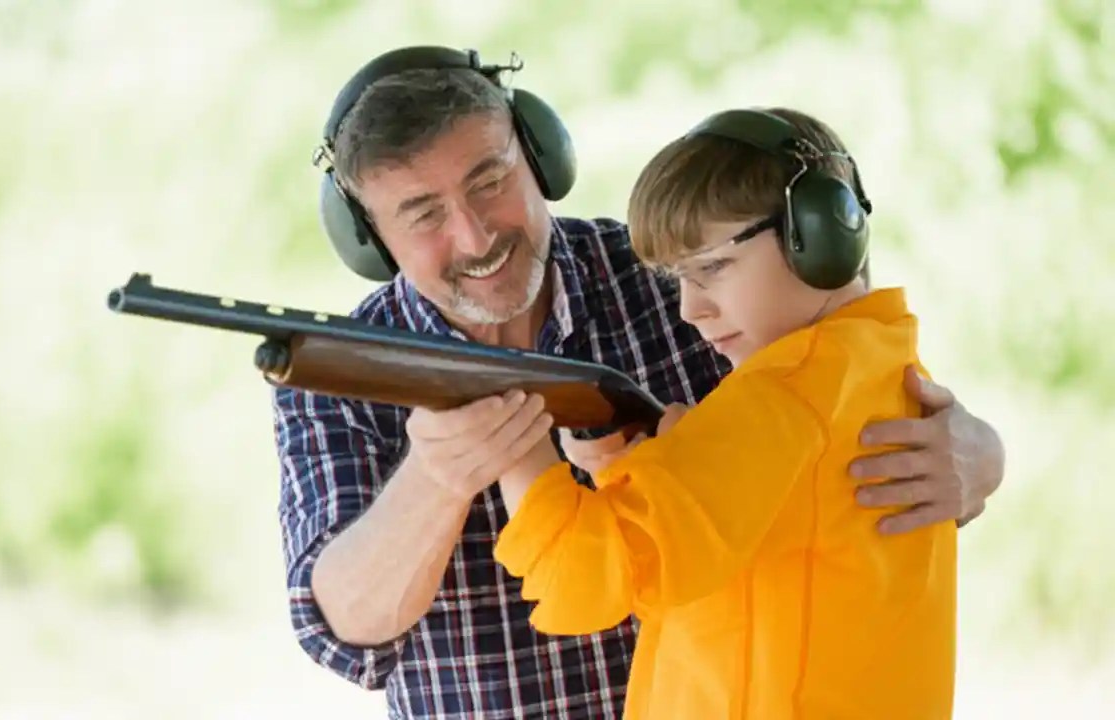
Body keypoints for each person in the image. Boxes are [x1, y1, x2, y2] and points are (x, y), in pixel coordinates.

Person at [272, 45, 1004, 719]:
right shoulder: (341, 372)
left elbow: (837, 396)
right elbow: (343, 635)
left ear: (539, 158)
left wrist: (978, 456)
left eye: (490, 181)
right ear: (370, 238)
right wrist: (437, 477)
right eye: (423, 214)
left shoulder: (671, 275)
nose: (473, 235)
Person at [494, 106, 955, 719]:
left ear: (819, 235)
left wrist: (510, 441)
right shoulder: (880, 367)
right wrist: (634, 472)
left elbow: (576, 579)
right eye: (678, 279)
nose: (691, 309)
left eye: (712, 268)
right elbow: (719, 569)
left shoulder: (779, 396)